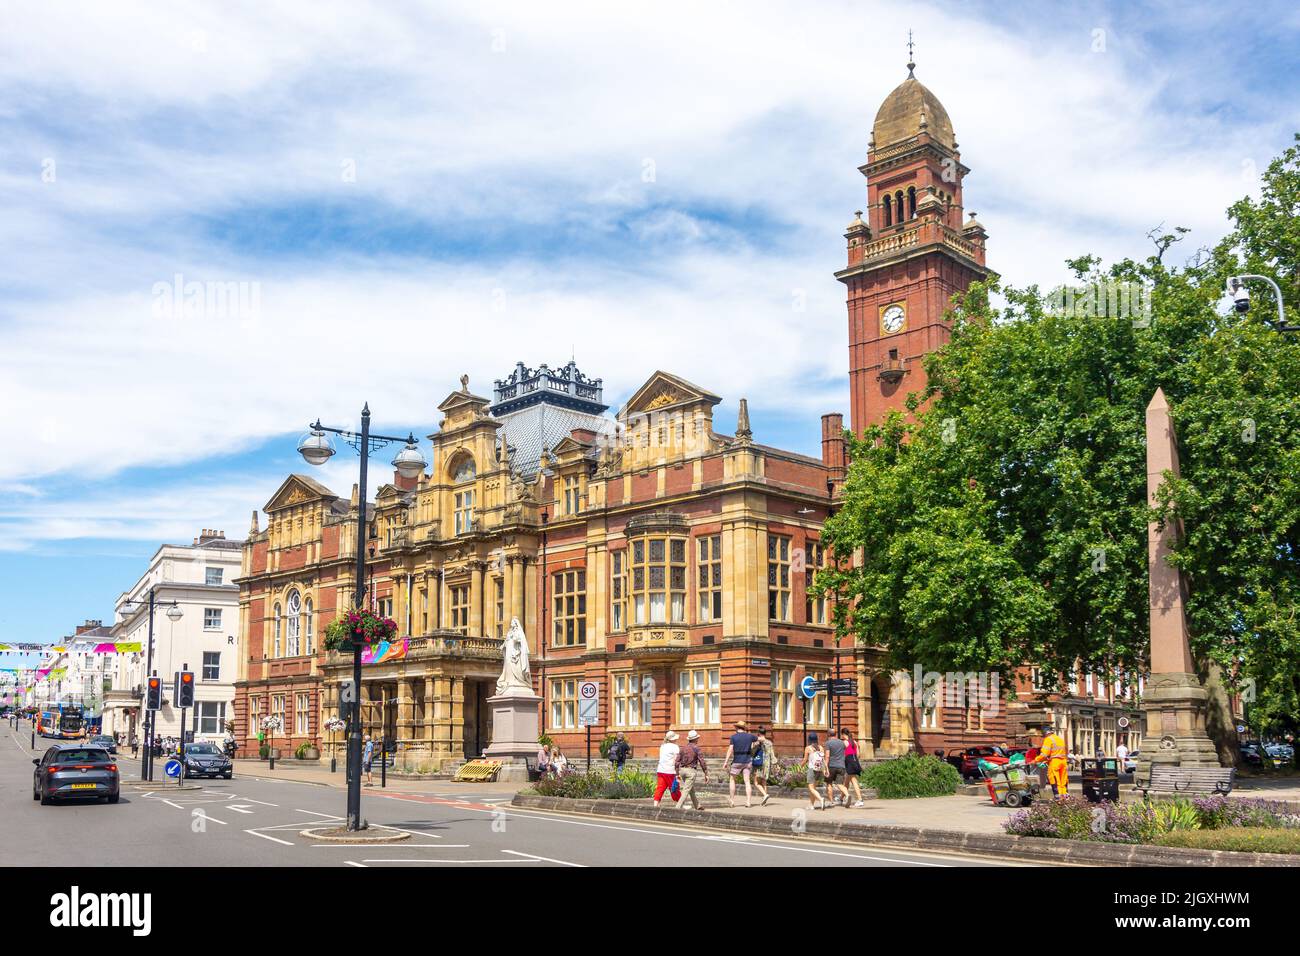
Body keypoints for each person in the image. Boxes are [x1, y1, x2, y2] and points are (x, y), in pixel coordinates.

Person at [723, 721, 758, 808]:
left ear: (736, 728)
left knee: (732, 780)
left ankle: (731, 801)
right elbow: (759, 739)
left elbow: (730, 749)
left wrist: (726, 762)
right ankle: (748, 802)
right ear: (744, 728)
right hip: (747, 761)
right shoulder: (750, 736)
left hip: (737, 761)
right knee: (747, 782)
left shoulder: (733, 737)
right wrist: (754, 747)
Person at [675, 729, 709, 811]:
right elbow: (702, 762)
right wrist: (706, 773)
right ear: (695, 739)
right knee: (686, 790)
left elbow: (677, 761)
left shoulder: (683, 748)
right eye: (697, 738)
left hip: (682, 770)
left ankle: (697, 805)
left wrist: (677, 773)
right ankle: (677, 808)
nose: (698, 739)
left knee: (690, 789)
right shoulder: (696, 748)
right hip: (691, 771)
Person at [1034, 724, 1069, 797]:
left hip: (1055, 762)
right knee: (1063, 780)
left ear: (1045, 732)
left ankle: (1058, 797)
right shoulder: (1059, 739)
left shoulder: (1048, 739)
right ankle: (1065, 796)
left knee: (1054, 779)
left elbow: (1044, 754)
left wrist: (1036, 760)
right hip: (1063, 762)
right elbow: (1058, 752)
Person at [824, 726, 851, 807]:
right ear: (835, 734)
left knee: (829, 784)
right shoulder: (841, 742)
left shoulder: (828, 743)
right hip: (841, 766)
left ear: (828, 734)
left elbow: (827, 756)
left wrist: (826, 767)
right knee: (839, 784)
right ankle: (847, 794)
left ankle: (831, 802)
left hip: (831, 766)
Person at [654, 731, 682, 807]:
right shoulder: (675, 747)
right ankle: (680, 804)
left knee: (660, 787)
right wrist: (678, 771)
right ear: (673, 739)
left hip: (661, 770)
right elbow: (676, 760)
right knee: (674, 787)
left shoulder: (662, 746)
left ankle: (656, 803)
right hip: (671, 771)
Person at [841, 727, 866, 808]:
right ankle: (841, 798)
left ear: (844, 734)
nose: (842, 737)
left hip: (849, 762)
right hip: (855, 761)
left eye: (842, 735)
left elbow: (842, 754)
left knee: (854, 781)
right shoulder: (855, 742)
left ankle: (860, 800)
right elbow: (858, 754)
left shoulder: (845, 742)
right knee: (846, 782)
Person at [804, 732, 827, 810]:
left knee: (811, 788)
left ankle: (821, 799)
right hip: (819, 769)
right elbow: (823, 760)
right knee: (814, 788)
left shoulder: (808, 748)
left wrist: (800, 766)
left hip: (812, 769)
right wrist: (825, 769)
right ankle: (811, 805)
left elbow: (805, 760)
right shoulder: (821, 748)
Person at [752, 727, 774, 807]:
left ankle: (765, 795)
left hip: (759, 763)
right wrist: (775, 764)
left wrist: (754, 745)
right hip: (767, 764)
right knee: (764, 781)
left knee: (756, 782)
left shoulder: (758, 742)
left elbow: (752, 752)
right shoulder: (769, 742)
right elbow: (772, 755)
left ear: (759, 734)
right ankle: (764, 801)